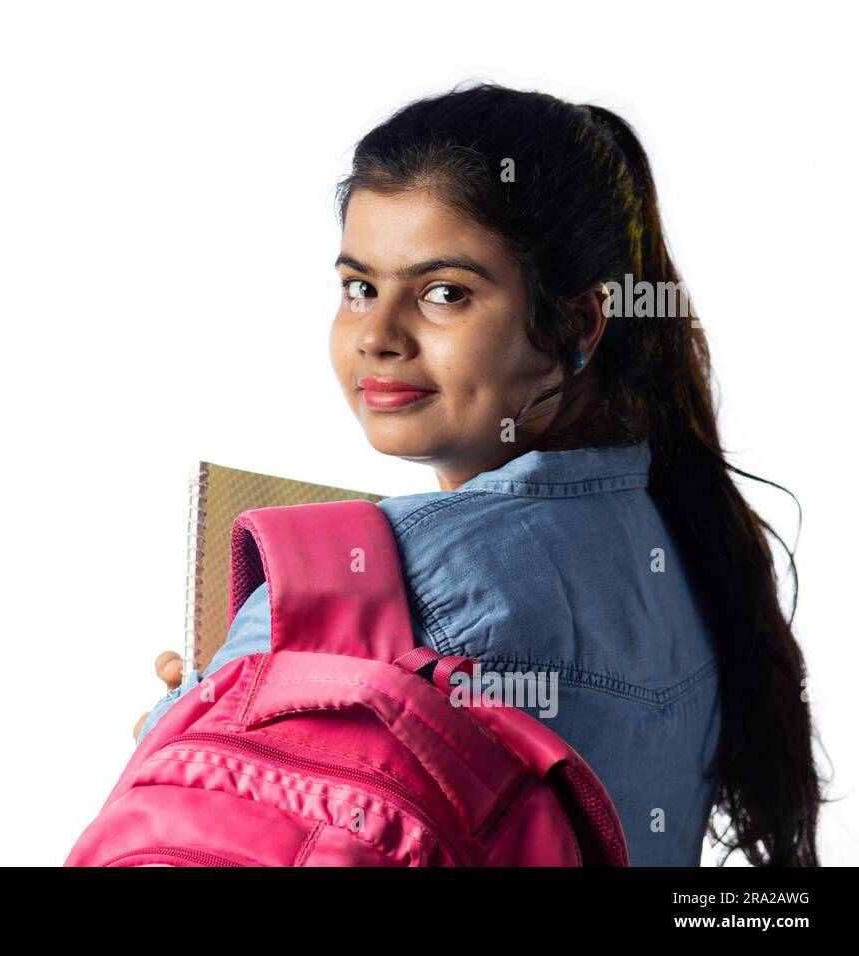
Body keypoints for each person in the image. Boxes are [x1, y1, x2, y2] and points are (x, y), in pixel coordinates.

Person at [134, 83, 822, 866]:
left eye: (443, 294)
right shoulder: (686, 548)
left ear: (577, 324)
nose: (378, 337)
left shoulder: (370, 597)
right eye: (359, 287)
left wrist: (183, 737)